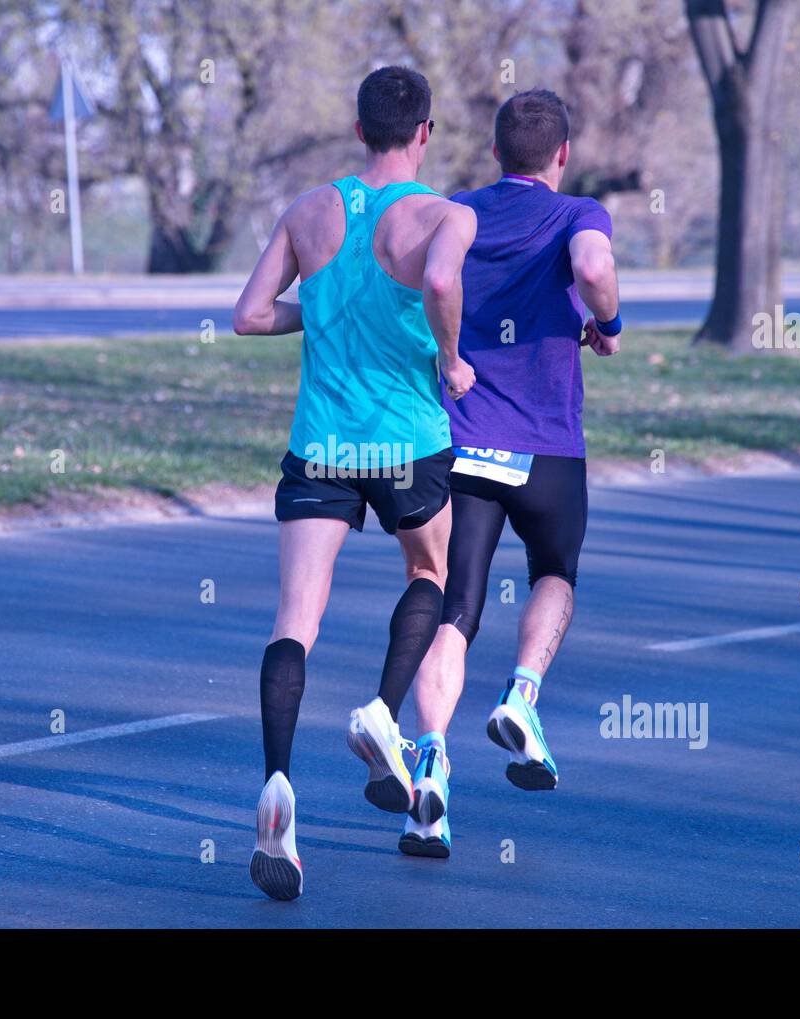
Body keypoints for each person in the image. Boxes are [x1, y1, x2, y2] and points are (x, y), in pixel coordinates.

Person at [232, 65, 478, 899]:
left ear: (361, 127)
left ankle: (276, 785)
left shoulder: (308, 208)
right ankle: (380, 709)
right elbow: (441, 282)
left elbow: (250, 313)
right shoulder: (445, 214)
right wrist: (449, 359)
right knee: (429, 574)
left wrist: (321, 309)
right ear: (425, 132)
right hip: (406, 441)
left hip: (321, 445)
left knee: (294, 617)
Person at [398, 88, 621, 859]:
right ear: (562, 153)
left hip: (463, 441)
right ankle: (523, 694)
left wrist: (451, 357)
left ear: (496, 152)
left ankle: (429, 763)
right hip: (548, 445)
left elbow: (428, 282)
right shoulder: (578, 214)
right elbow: (593, 268)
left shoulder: (459, 210)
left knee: (455, 605)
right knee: (555, 569)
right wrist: (609, 322)